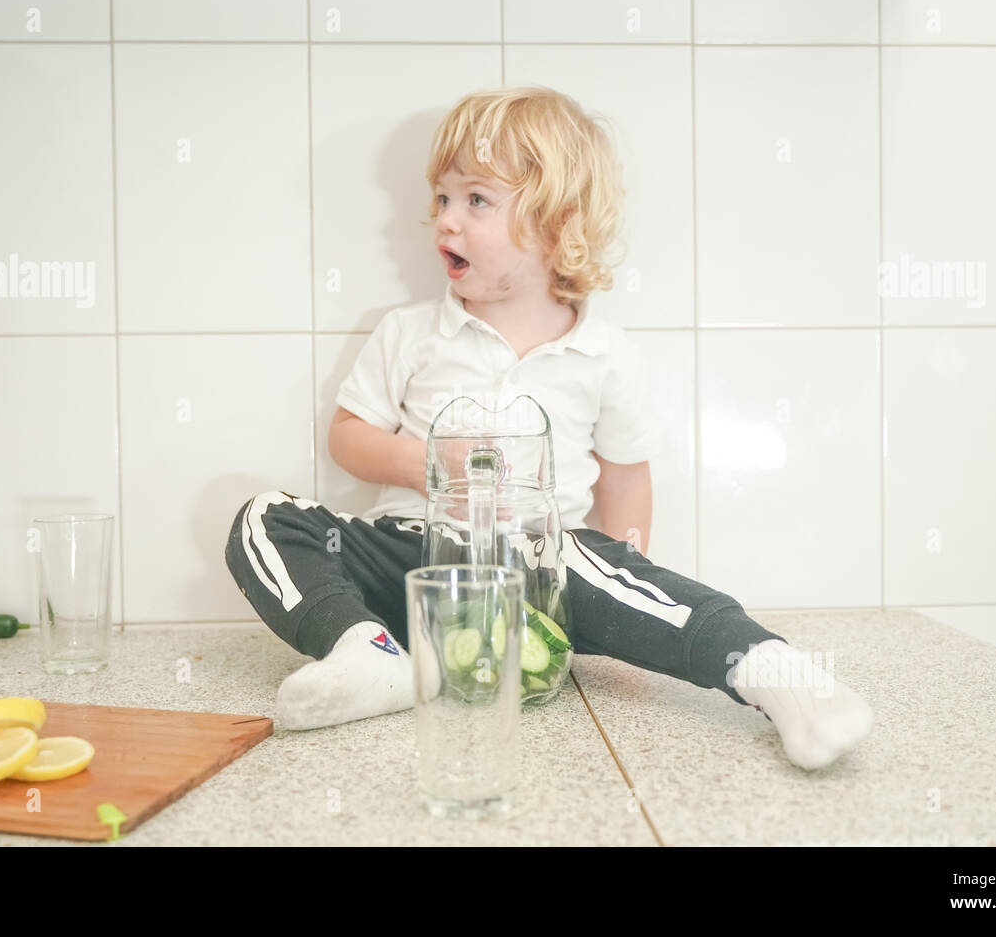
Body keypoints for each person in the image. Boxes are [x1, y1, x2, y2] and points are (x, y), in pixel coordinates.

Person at [225, 86, 872, 770]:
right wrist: (426, 465)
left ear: (555, 224)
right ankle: (367, 650)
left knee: (597, 562)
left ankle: (775, 672)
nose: (446, 220)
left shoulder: (606, 354)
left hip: (541, 575)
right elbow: (348, 437)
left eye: (476, 200)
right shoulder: (410, 332)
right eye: (441, 198)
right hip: (410, 562)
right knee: (263, 516)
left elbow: (626, 483)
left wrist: (624, 598)